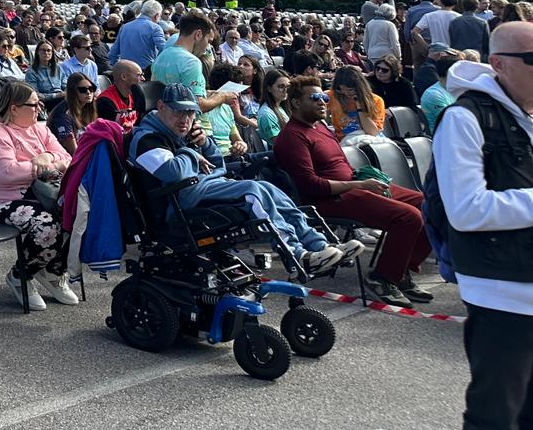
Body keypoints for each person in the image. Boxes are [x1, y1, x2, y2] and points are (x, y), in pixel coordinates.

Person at [436, 23, 533, 430]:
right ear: (499, 64)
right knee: (494, 420)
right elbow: (466, 209)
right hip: (501, 290)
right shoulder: (464, 118)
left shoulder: (524, 115)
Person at [127, 82, 359, 276]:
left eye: (190, 113)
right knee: (252, 191)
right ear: (161, 106)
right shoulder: (147, 139)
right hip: (177, 204)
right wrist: (192, 153)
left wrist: (205, 143)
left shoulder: (180, 133)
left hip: (204, 187)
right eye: (179, 111)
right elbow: (174, 173)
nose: (185, 119)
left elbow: (217, 164)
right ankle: (297, 255)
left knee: (268, 188)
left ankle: (319, 245)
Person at [273, 75, 430, 307]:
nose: (322, 102)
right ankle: (383, 278)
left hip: (354, 187)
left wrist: (363, 179)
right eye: (314, 98)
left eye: (324, 97)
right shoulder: (292, 137)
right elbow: (310, 186)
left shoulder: (321, 128)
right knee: (408, 217)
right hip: (329, 199)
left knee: (430, 205)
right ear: (296, 103)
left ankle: (401, 270)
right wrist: (359, 185)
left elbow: (341, 166)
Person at [0, 80, 77, 309]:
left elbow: (68, 158)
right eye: (33, 105)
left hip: (44, 196)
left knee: (78, 215)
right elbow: (6, 172)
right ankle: (21, 275)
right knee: (47, 226)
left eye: (39, 104)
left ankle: (52, 271)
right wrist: (45, 166)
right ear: (14, 108)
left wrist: (48, 157)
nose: (39, 109)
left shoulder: (40, 128)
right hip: (3, 200)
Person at [327, 65, 388, 140]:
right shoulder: (332, 96)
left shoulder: (376, 100)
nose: (346, 93)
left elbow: (373, 132)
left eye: (350, 90)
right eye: (342, 89)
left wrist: (360, 107)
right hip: (345, 140)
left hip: (370, 138)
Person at [108, 0, 168, 74]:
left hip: (125, 71)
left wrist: (115, 67)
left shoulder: (125, 27)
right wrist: (157, 65)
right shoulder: (155, 28)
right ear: (157, 16)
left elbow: (114, 52)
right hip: (145, 72)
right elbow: (164, 49)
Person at [47, 74, 100, 155]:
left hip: (86, 154)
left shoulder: (88, 108)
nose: (88, 92)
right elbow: (74, 151)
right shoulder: (62, 114)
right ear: (73, 92)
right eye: (83, 90)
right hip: (66, 158)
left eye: (91, 88)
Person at [94, 60, 147, 131]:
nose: (143, 79)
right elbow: (108, 133)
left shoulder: (136, 94)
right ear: (124, 77)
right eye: (138, 75)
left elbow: (140, 123)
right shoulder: (105, 102)